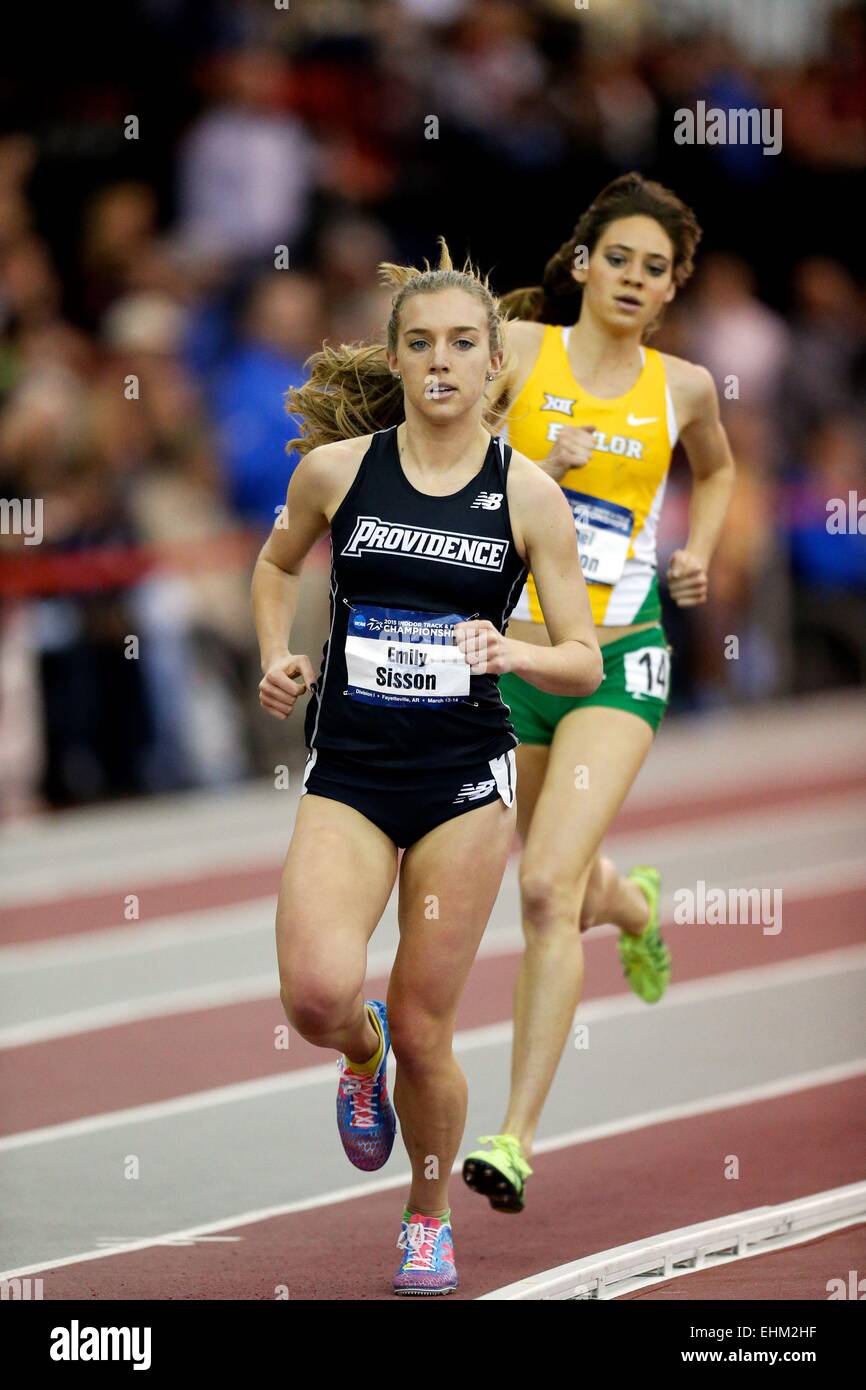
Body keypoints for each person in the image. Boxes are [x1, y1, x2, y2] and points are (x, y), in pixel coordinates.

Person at [251, 243, 602, 1295]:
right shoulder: (337, 472)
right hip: (350, 772)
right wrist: (276, 652)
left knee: (426, 1022)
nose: (440, 360)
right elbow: (273, 564)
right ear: (396, 360)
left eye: (460, 344)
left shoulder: (527, 493)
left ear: (495, 364)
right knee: (318, 994)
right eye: (420, 343)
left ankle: (425, 1214)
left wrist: (515, 650)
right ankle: (359, 1059)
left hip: (460, 785)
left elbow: (582, 659)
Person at [461, 173, 736, 1213]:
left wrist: (698, 551)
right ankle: (633, 904)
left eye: (653, 268)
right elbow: (447, 465)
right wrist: (531, 456)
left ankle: (513, 1138)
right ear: (581, 264)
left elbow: (714, 472)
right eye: (615, 258)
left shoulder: (685, 388)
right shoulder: (519, 353)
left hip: (618, 663)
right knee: (569, 886)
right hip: (518, 664)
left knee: (540, 890)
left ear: (672, 290)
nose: (631, 278)